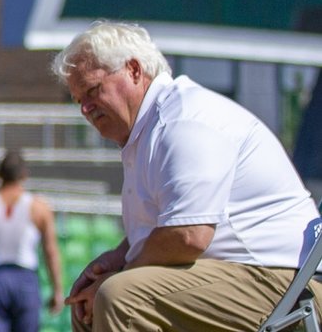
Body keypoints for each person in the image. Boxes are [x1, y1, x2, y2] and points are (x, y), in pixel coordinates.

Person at [54, 20, 322, 332]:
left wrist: (117, 274)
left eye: (93, 90)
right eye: (78, 100)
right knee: (90, 305)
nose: (85, 108)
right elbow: (167, 228)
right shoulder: (150, 130)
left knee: (119, 297)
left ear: (134, 71)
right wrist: (117, 257)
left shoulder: (183, 119)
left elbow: (188, 236)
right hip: (252, 279)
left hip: (287, 284)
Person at [0, 150, 64, 332]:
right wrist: (57, 289)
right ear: (24, 175)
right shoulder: (38, 207)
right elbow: (50, 251)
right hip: (25, 278)